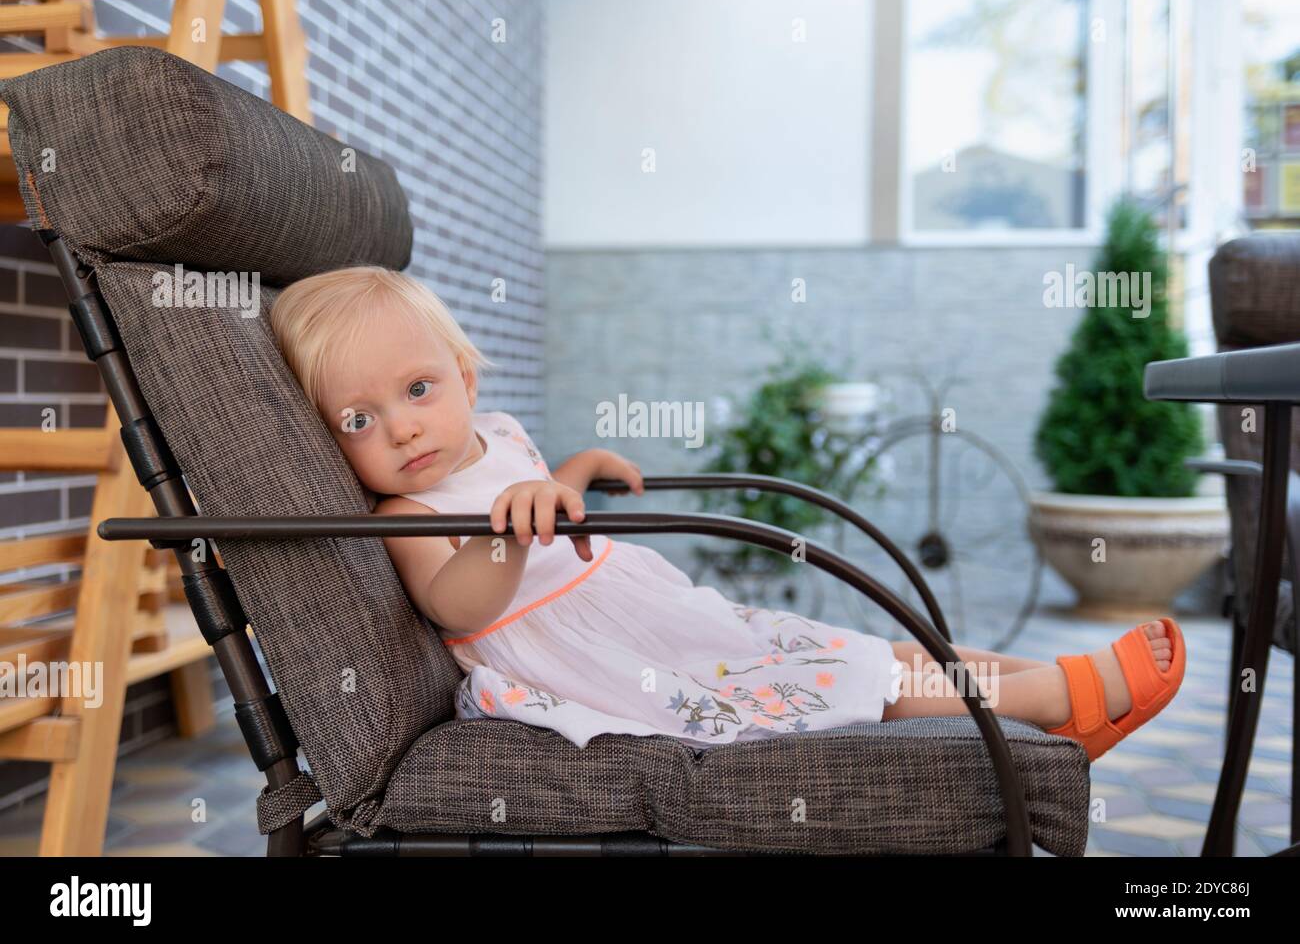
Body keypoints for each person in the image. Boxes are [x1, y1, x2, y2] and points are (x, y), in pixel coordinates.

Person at [269, 265, 1186, 760]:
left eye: (418, 388)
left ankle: (1033, 682)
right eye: (358, 419)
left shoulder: (500, 435)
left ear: (464, 377)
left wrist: (575, 470)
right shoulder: (404, 508)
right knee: (825, 682)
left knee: (846, 647)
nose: (400, 428)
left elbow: (541, 489)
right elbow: (461, 606)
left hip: (648, 606)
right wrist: (510, 529)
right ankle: (1059, 699)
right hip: (596, 656)